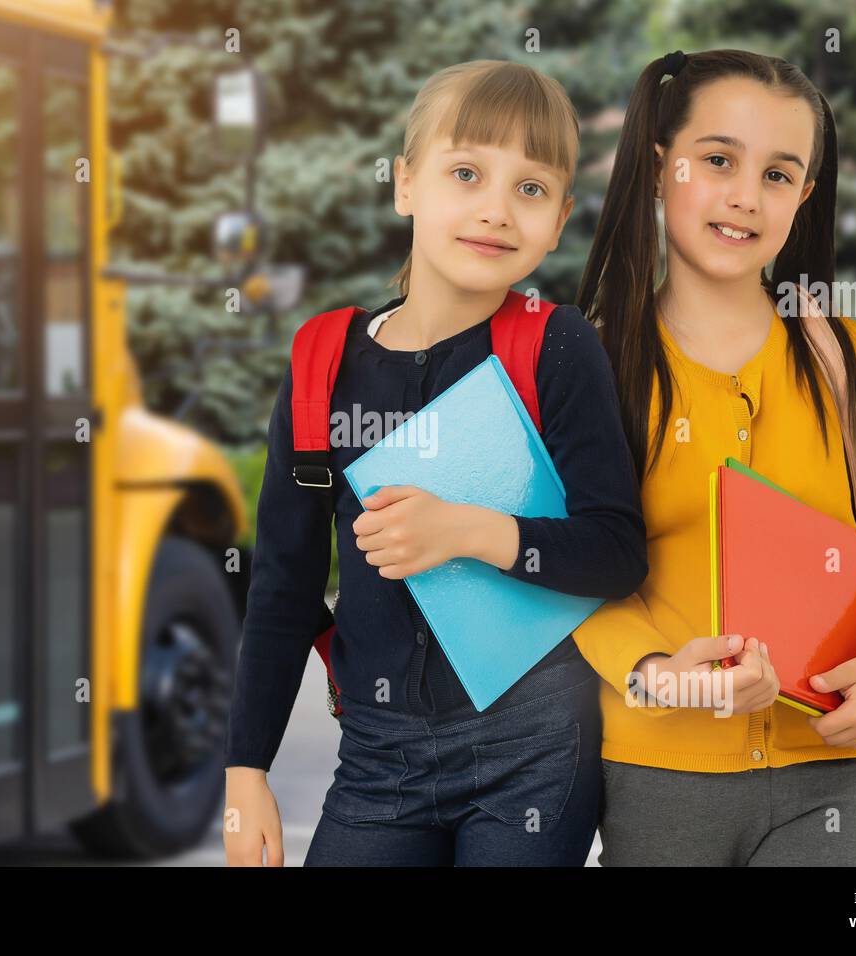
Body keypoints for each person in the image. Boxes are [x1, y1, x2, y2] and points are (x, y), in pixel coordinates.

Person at [224, 59, 646, 866]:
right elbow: (283, 588)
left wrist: (470, 532)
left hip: (535, 751)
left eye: (531, 188)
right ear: (406, 184)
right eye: (466, 173)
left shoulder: (556, 346)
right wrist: (247, 772)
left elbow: (617, 553)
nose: (496, 209)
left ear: (559, 221)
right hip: (377, 760)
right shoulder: (323, 364)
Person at [571, 49, 856, 866]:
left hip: (830, 775)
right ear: (661, 165)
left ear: (803, 197)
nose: (745, 195)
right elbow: (573, 568)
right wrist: (658, 672)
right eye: (717, 160)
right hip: (659, 774)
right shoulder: (594, 366)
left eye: (778, 175)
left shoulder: (851, 359)